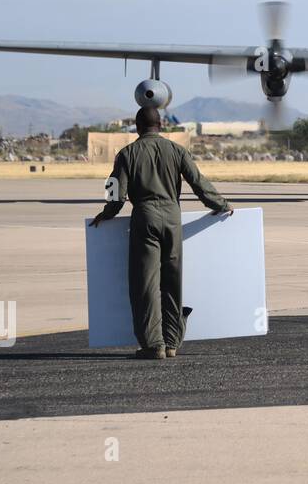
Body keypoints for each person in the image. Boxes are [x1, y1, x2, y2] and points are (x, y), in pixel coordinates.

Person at [91, 105, 231, 359]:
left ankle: (153, 345)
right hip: (173, 219)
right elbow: (199, 182)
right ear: (161, 125)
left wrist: (106, 213)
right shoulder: (177, 150)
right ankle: (172, 341)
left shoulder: (126, 154)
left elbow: (116, 194)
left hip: (145, 219)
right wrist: (221, 204)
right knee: (172, 282)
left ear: (137, 126)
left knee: (146, 284)